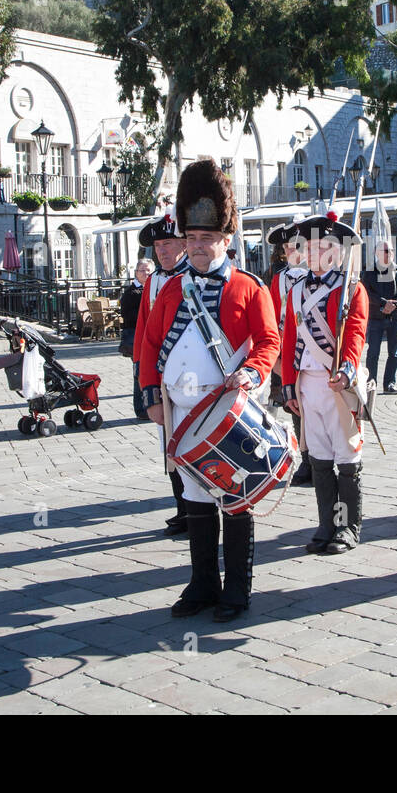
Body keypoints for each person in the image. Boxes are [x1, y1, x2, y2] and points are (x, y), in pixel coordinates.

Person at [138, 160, 279, 622]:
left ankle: (237, 590)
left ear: (226, 239)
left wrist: (255, 374)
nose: (197, 248)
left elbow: (269, 342)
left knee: (234, 499)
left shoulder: (250, 288)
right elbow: (150, 344)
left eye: (207, 239)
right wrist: (151, 397)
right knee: (197, 502)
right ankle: (201, 583)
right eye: (191, 239)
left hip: (228, 413)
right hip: (181, 415)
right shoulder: (171, 289)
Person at [282, 211, 369, 556]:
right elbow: (290, 338)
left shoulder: (351, 288)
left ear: (336, 251)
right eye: (309, 247)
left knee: (346, 458)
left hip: (338, 384)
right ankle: (325, 524)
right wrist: (288, 385)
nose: (313, 253)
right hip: (308, 385)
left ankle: (347, 526)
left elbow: (357, 333)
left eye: (321, 247)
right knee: (318, 457)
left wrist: (347, 369)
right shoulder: (297, 288)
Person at [133, 204, 189, 533]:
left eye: (167, 244)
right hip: (162, 374)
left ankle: (200, 508)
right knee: (167, 442)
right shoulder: (153, 281)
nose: (161, 251)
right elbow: (144, 330)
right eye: (156, 247)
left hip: (189, 372)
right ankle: (182, 506)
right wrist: (143, 374)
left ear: (183, 243)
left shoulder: (192, 277)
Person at [266, 219, 311, 487]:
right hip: (288, 354)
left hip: (314, 351)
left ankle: (321, 461)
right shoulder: (279, 279)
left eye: (297, 245)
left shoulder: (317, 274)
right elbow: (272, 317)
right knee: (295, 407)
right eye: (287, 246)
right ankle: (306, 459)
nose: (292, 250)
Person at [361, 238, 397, 395]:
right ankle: (371, 382)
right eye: (385, 251)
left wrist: (394, 304)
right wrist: (384, 303)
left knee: (394, 353)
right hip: (376, 317)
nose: (389, 254)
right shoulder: (369, 272)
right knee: (373, 352)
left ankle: (389, 383)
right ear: (376, 253)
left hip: (396, 317)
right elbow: (366, 293)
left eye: (390, 251)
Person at [118, 257, 153, 364]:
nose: (145, 273)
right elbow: (126, 314)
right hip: (136, 334)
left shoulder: (153, 288)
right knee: (139, 367)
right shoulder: (131, 292)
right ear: (136, 273)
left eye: (148, 270)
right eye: (142, 270)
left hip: (150, 334)